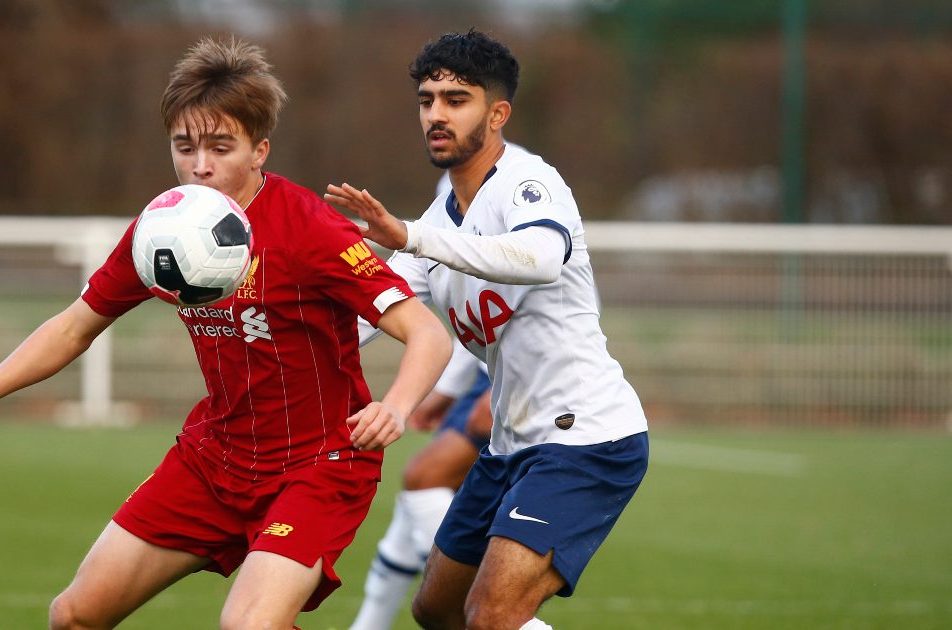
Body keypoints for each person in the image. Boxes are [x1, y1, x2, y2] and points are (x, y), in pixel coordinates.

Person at [0, 37, 451, 630]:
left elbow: (428, 334)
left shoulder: (311, 229)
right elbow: (72, 328)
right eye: (184, 147)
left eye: (220, 147)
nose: (200, 165)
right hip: (214, 460)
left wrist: (395, 406)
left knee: (247, 625)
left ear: (260, 149)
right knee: (74, 616)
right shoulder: (162, 230)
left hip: (319, 463)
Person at [326, 28, 649, 630]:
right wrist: (260, 331)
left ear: (498, 113)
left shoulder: (530, 184)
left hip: (587, 440)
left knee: (492, 615)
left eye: (456, 99)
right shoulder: (435, 223)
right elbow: (364, 314)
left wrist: (412, 238)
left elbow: (541, 255)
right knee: (437, 609)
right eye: (427, 100)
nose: (435, 115)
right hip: (510, 446)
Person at [349, 338, 491, 630]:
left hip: (521, 378)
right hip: (485, 376)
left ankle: (487, 603)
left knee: (423, 479)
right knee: (412, 510)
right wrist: (447, 390)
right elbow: (475, 315)